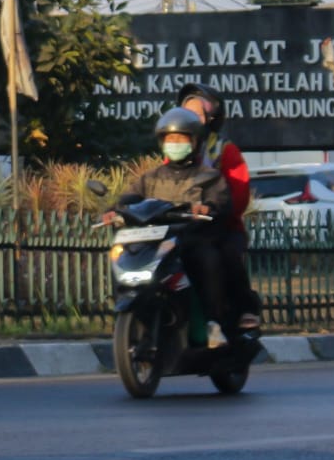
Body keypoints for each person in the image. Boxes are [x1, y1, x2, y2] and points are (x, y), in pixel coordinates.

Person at [103, 107, 234, 348]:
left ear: (194, 141)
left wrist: (207, 207)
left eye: (181, 139)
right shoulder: (150, 177)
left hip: (192, 240)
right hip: (156, 240)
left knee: (207, 261)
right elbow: (129, 198)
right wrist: (114, 210)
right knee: (124, 258)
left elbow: (222, 201)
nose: (175, 143)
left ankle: (213, 324)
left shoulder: (209, 176)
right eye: (170, 139)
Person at [178, 82, 260, 330]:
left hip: (221, 227)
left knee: (223, 256)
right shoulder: (175, 149)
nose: (190, 119)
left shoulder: (225, 150)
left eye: (197, 113)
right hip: (182, 227)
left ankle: (243, 309)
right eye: (186, 112)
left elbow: (238, 195)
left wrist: (214, 210)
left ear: (211, 118)